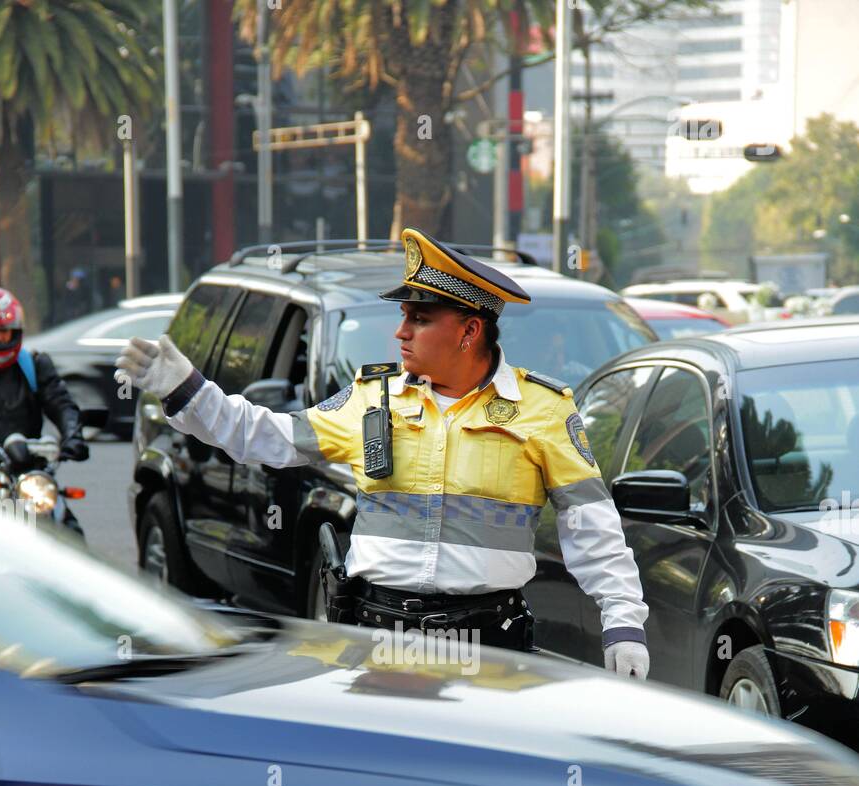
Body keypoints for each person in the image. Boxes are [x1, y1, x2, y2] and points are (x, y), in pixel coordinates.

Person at [115, 228, 648, 675]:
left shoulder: (544, 410)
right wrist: (187, 388)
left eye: (419, 318)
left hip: (488, 648)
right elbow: (267, 437)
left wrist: (623, 623)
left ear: (468, 331)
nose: (400, 331)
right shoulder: (374, 399)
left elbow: (593, 529)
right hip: (377, 640)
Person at [0, 287, 88, 460]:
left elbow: (61, 403)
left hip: (27, 466)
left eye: (4, 332)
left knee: (54, 488)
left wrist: (73, 435)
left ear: (15, 332)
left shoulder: (34, 365)